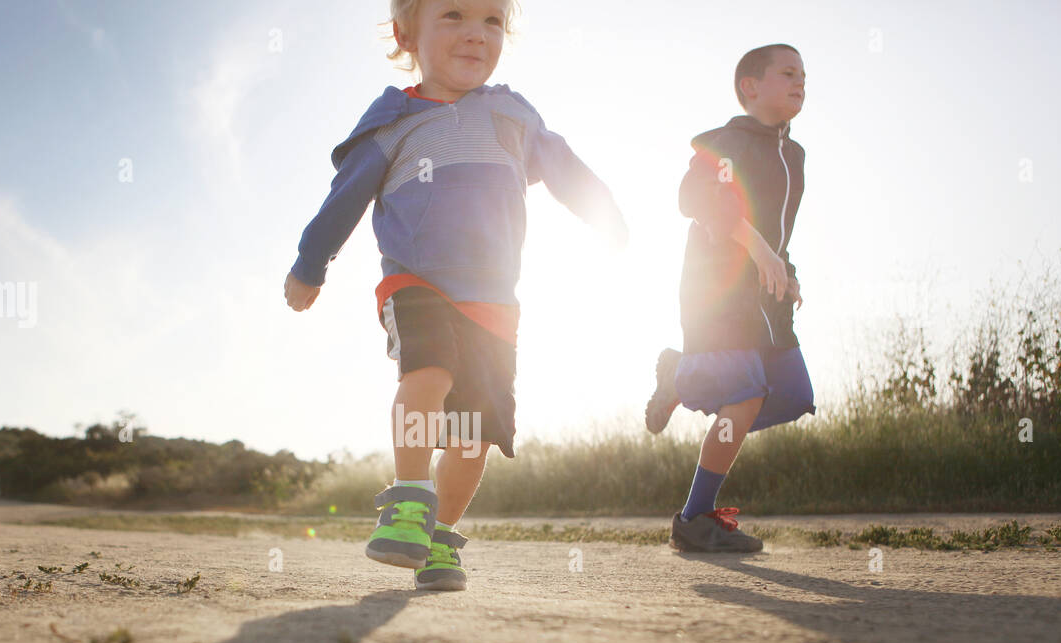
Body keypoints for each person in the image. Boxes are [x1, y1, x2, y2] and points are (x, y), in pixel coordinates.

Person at [284, 0, 627, 588]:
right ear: (404, 33)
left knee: (474, 434)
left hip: (495, 300)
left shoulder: (513, 113)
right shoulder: (393, 120)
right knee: (430, 369)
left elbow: (563, 165)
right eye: (454, 16)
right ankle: (410, 500)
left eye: (492, 21)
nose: (476, 34)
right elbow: (344, 199)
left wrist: (606, 216)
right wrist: (310, 264)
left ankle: (439, 535)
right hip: (416, 280)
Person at [645, 43, 815, 552]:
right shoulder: (725, 143)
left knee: (789, 395)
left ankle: (683, 375)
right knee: (743, 390)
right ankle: (695, 519)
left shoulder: (794, 155)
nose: (800, 81)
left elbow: (778, 231)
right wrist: (759, 249)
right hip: (717, 285)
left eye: (804, 75)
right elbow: (693, 199)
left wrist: (786, 271)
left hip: (767, 290)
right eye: (788, 72)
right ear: (751, 87)